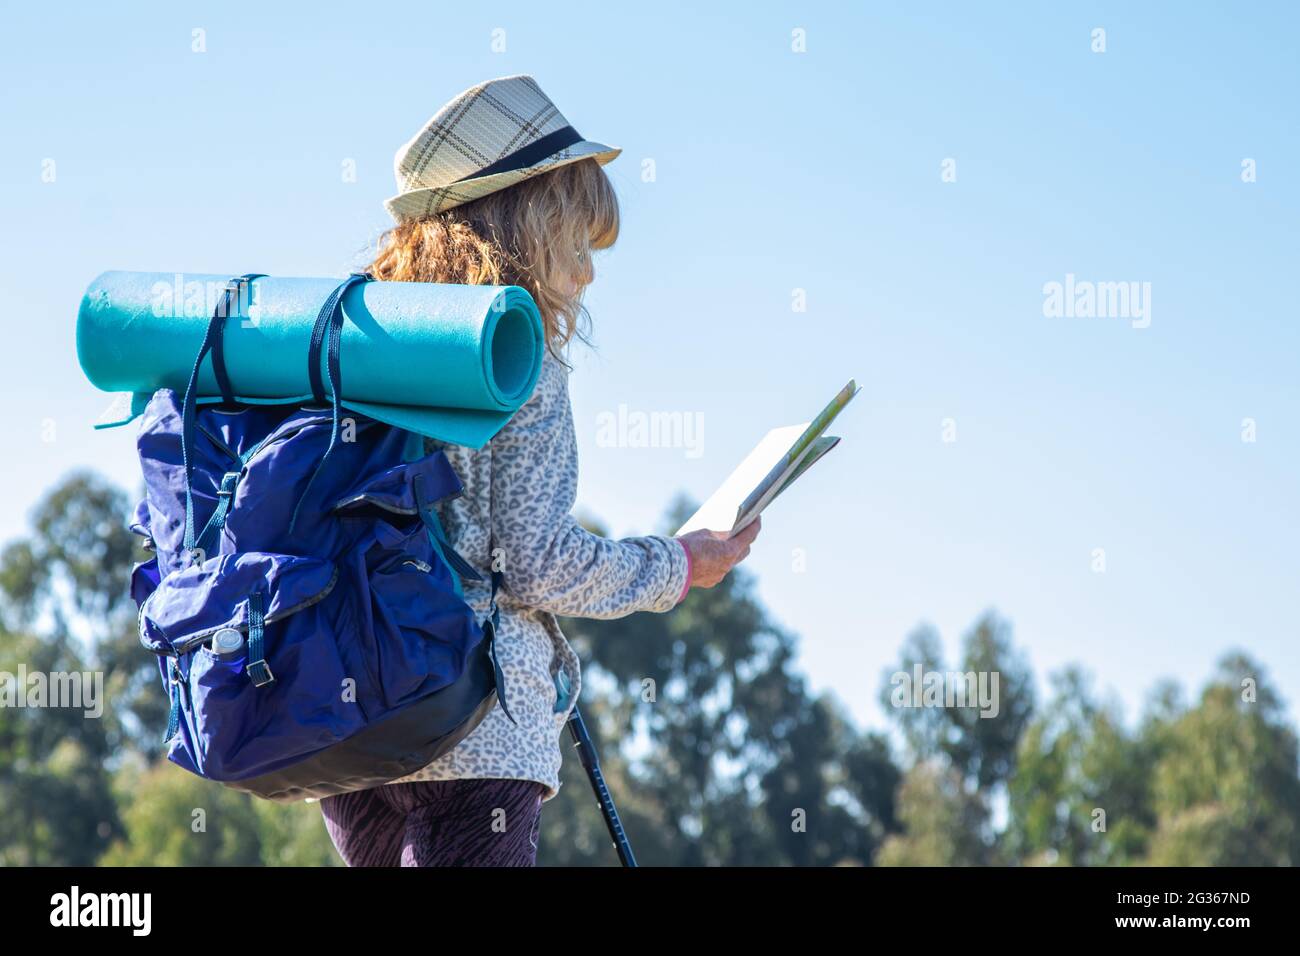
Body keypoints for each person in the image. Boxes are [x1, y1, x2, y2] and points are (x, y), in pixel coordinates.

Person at [318, 75, 759, 867]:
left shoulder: (365, 337)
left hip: (349, 730)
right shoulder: (514, 353)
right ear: (531, 219)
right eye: (579, 236)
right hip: (475, 727)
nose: (587, 271)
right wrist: (681, 564)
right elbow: (537, 560)